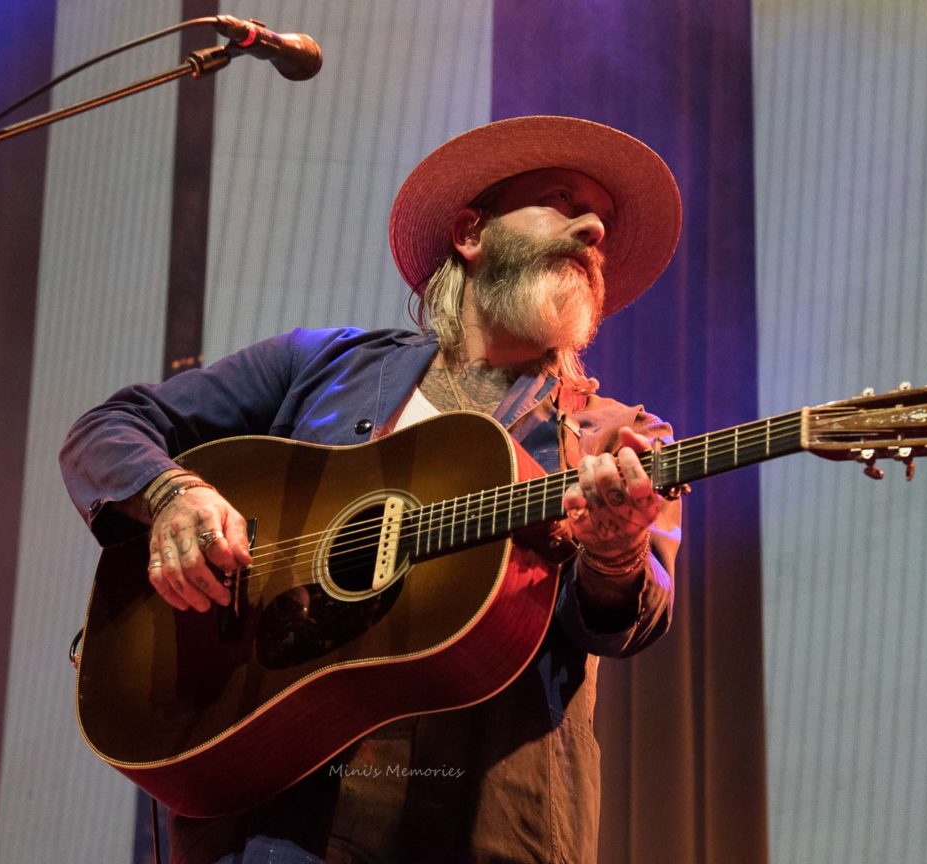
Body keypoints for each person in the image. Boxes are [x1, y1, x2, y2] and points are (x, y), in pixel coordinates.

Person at [61, 115, 684, 863]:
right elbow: (111, 427)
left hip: (479, 820)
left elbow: (624, 623)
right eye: (561, 200)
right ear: (470, 232)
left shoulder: (619, 439)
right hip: (275, 816)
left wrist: (615, 557)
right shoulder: (323, 363)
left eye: (604, 224)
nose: (592, 231)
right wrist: (171, 496)